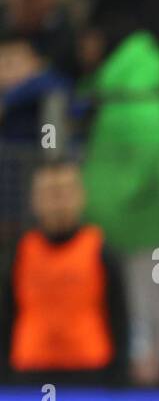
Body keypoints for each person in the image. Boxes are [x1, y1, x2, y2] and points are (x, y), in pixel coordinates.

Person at [0, 160, 128, 385]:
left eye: (65, 192)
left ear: (81, 196)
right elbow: (7, 315)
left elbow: (119, 317)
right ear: (35, 200)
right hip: (29, 374)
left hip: (89, 372)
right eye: (50, 193)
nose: (58, 202)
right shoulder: (20, 253)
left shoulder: (100, 251)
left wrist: (119, 379)